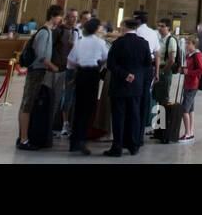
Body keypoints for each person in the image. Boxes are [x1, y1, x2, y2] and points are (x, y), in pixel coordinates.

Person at [16, 4, 63, 149]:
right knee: (27, 104)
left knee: (29, 103)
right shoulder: (44, 32)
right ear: (53, 17)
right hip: (36, 71)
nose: (61, 19)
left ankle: (25, 136)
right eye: (60, 16)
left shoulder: (48, 31)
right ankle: (23, 139)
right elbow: (41, 55)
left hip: (40, 71)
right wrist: (53, 67)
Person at [105, 17, 152, 156]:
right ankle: (133, 145)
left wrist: (125, 74)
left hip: (120, 84)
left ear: (125, 26)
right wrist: (137, 75)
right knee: (135, 115)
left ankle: (117, 147)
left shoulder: (118, 43)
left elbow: (111, 64)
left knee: (118, 116)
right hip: (136, 85)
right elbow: (148, 63)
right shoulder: (144, 43)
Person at [67, 17, 108, 155]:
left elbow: (71, 60)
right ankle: (82, 141)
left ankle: (74, 142)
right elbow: (105, 58)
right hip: (92, 75)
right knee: (88, 109)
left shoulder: (80, 41)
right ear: (97, 29)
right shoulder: (100, 42)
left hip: (81, 74)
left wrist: (79, 66)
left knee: (78, 108)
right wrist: (98, 65)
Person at [134, 13, 161, 135]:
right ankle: (144, 126)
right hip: (149, 66)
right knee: (146, 97)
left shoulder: (136, 32)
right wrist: (156, 71)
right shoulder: (153, 33)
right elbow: (157, 54)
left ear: (138, 21)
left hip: (137, 66)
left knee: (135, 97)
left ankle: (135, 125)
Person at [53, 10, 77, 137]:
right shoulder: (59, 30)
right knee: (57, 97)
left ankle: (66, 124)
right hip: (59, 67)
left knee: (68, 96)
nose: (74, 19)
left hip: (72, 69)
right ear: (66, 18)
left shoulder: (76, 32)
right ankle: (54, 125)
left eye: (76, 17)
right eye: (72, 17)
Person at [181, 34, 202, 143]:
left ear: (194, 44)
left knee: (184, 109)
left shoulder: (197, 55)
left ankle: (187, 133)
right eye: (186, 43)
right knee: (190, 109)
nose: (186, 45)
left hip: (192, 85)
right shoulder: (189, 55)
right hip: (187, 83)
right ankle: (191, 131)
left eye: (188, 43)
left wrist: (189, 72)